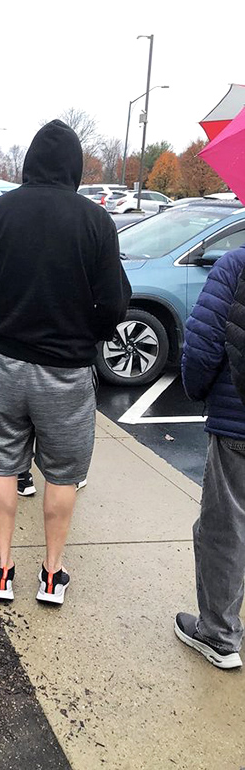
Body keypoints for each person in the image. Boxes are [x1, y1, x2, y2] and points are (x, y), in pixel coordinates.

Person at [0, 119, 130, 605]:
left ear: (29, 163)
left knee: (3, 464)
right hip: (67, 373)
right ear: (75, 168)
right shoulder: (96, 222)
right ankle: (52, 575)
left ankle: (2, 569)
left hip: (4, 363)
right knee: (63, 473)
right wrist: (85, 339)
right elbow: (115, 305)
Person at [175, 246, 245, 670]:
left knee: (225, 527)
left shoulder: (237, 264)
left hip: (239, 422)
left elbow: (203, 346)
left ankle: (218, 634)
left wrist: (198, 391)